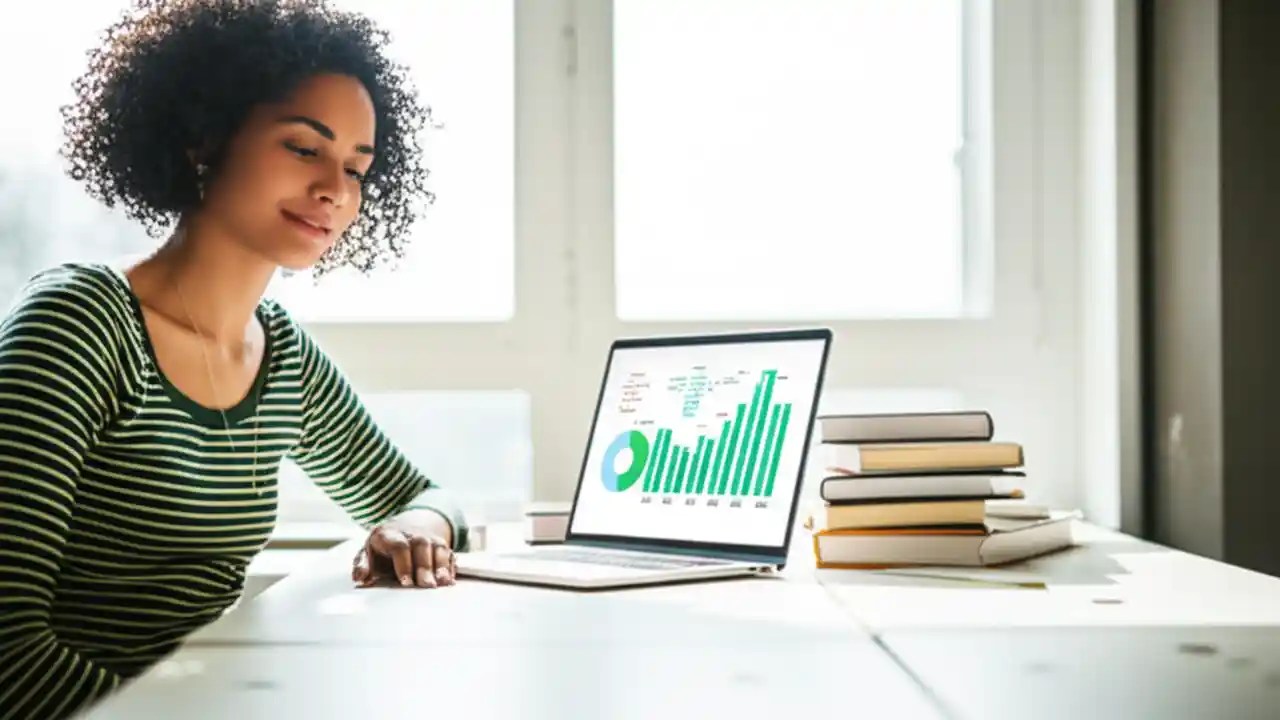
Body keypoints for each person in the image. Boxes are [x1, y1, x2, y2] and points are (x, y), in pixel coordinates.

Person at [0, 1, 469, 717]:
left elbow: (426, 497)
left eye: (356, 167)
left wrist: (417, 529)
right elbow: (9, 656)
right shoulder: (81, 323)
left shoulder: (283, 358)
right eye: (304, 148)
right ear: (205, 138)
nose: (335, 190)